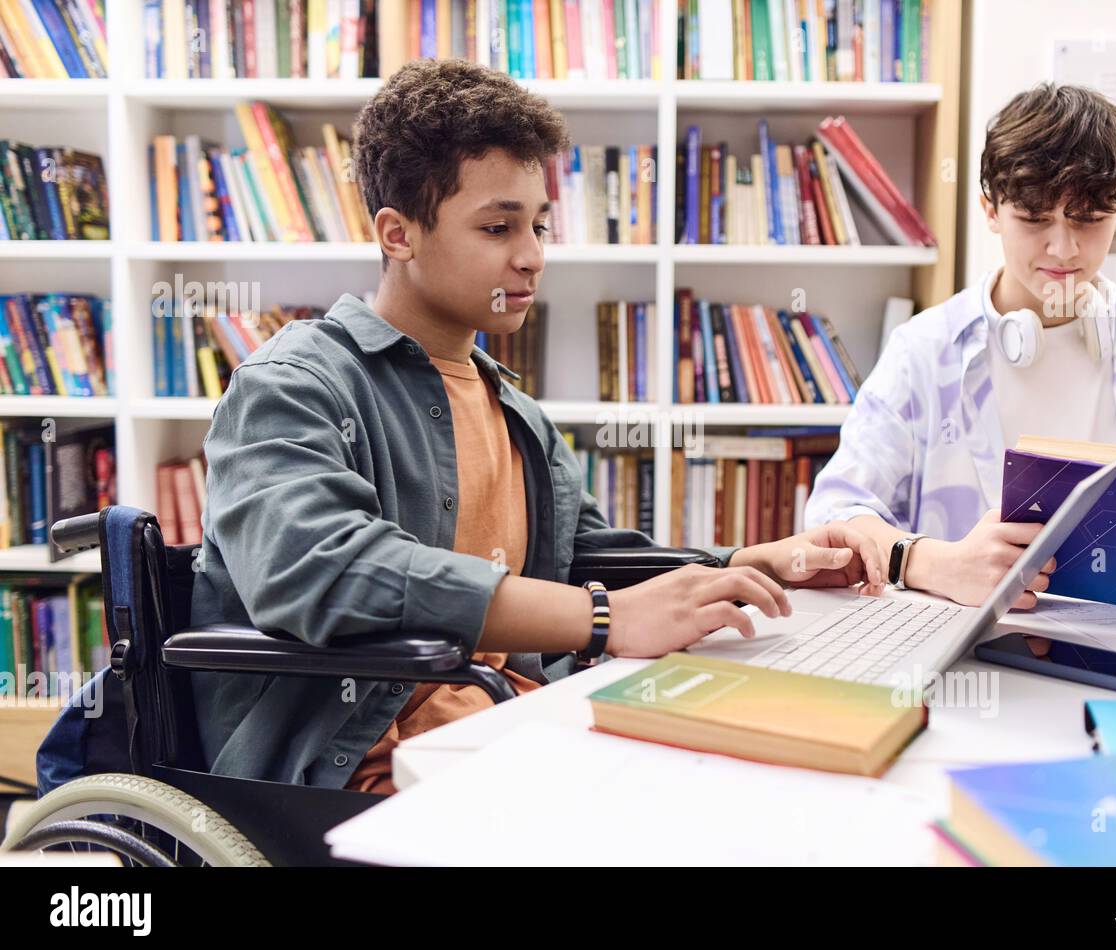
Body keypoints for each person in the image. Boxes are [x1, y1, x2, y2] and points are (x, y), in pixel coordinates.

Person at [189, 58, 885, 793]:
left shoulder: (512, 409)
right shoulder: (291, 386)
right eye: (498, 227)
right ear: (397, 233)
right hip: (353, 775)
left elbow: (584, 556)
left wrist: (745, 565)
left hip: (509, 728)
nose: (531, 256)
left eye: (540, 224)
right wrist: (601, 619)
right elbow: (321, 570)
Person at [805, 82, 1116, 610]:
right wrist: (931, 562)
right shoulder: (925, 348)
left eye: (1089, 220)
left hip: (1115, 639)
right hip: (954, 637)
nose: (1064, 248)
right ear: (991, 209)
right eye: (1034, 219)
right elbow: (833, 514)